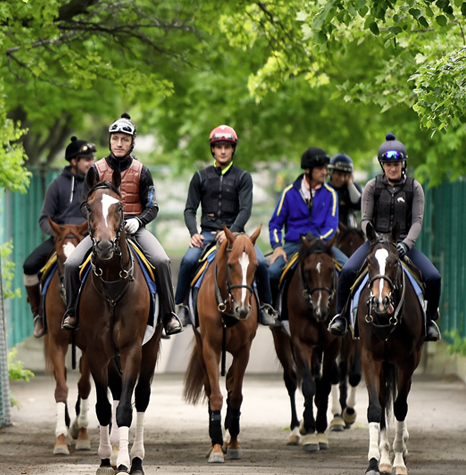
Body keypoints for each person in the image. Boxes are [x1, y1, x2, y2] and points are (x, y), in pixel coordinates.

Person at [61, 114, 183, 336]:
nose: (119, 143)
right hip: (103, 230)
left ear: (132, 143)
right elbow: (83, 205)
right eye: (115, 138)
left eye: (124, 139)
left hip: (134, 230)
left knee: (162, 260)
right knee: (71, 264)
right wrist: (99, 221)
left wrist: (138, 221)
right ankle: (72, 313)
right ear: (110, 141)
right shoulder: (95, 170)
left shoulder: (142, 171)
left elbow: (152, 206)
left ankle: (169, 315)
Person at [328, 133, 441, 341]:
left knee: (434, 277)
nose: (392, 168)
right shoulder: (372, 187)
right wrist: (374, 239)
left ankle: (431, 320)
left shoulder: (415, 188)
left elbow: (417, 221)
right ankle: (340, 317)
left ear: (403, 165)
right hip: (375, 245)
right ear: (382, 166)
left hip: (402, 245)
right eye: (388, 164)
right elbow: (364, 219)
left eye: (396, 164)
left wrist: (406, 244)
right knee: (347, 272)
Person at [174, 125, 277, 327]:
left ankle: (266, 306)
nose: (223, 150)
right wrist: (194, 233)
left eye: (227, 147)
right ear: (212, 149)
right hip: (206, 234)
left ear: (233, 149)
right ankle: (181, 307)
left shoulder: (243, 177)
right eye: (219, 146)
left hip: (237, 235)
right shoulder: (200, 177)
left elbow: (245, 209)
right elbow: (189, 210)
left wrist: (232, 231)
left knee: (263, 264)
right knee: (187, 261)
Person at [22, 137, 97, 337]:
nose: (91, 163)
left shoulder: (94, 185)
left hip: (86, 237)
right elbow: (44, 218)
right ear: (74, 161)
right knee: (29, 266)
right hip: (61, 239)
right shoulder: (56, 185)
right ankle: (38, 315)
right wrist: (58, 233)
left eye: (91, 158)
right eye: (86, 159)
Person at [266, 147, 349, 323]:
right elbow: (275, 224)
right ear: (308, 170)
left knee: (349, 269)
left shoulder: (331, 194)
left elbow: (332, 226)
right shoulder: (289, 193)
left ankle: (346, 316)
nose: (325, 172)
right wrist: (277, 247)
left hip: (322, 244)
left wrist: (318, 241)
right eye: (320, 169)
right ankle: (272, 313)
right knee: (272, 272)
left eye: (325, 168)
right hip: (294, 244)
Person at [328, 153, 363, 228]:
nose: (342, 179)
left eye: (345, 175)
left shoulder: (354, 188)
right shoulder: (324, 189)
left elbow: (360, 205)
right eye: (339, 174)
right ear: (331, 172)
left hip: (350, 231)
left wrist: (350, 185)